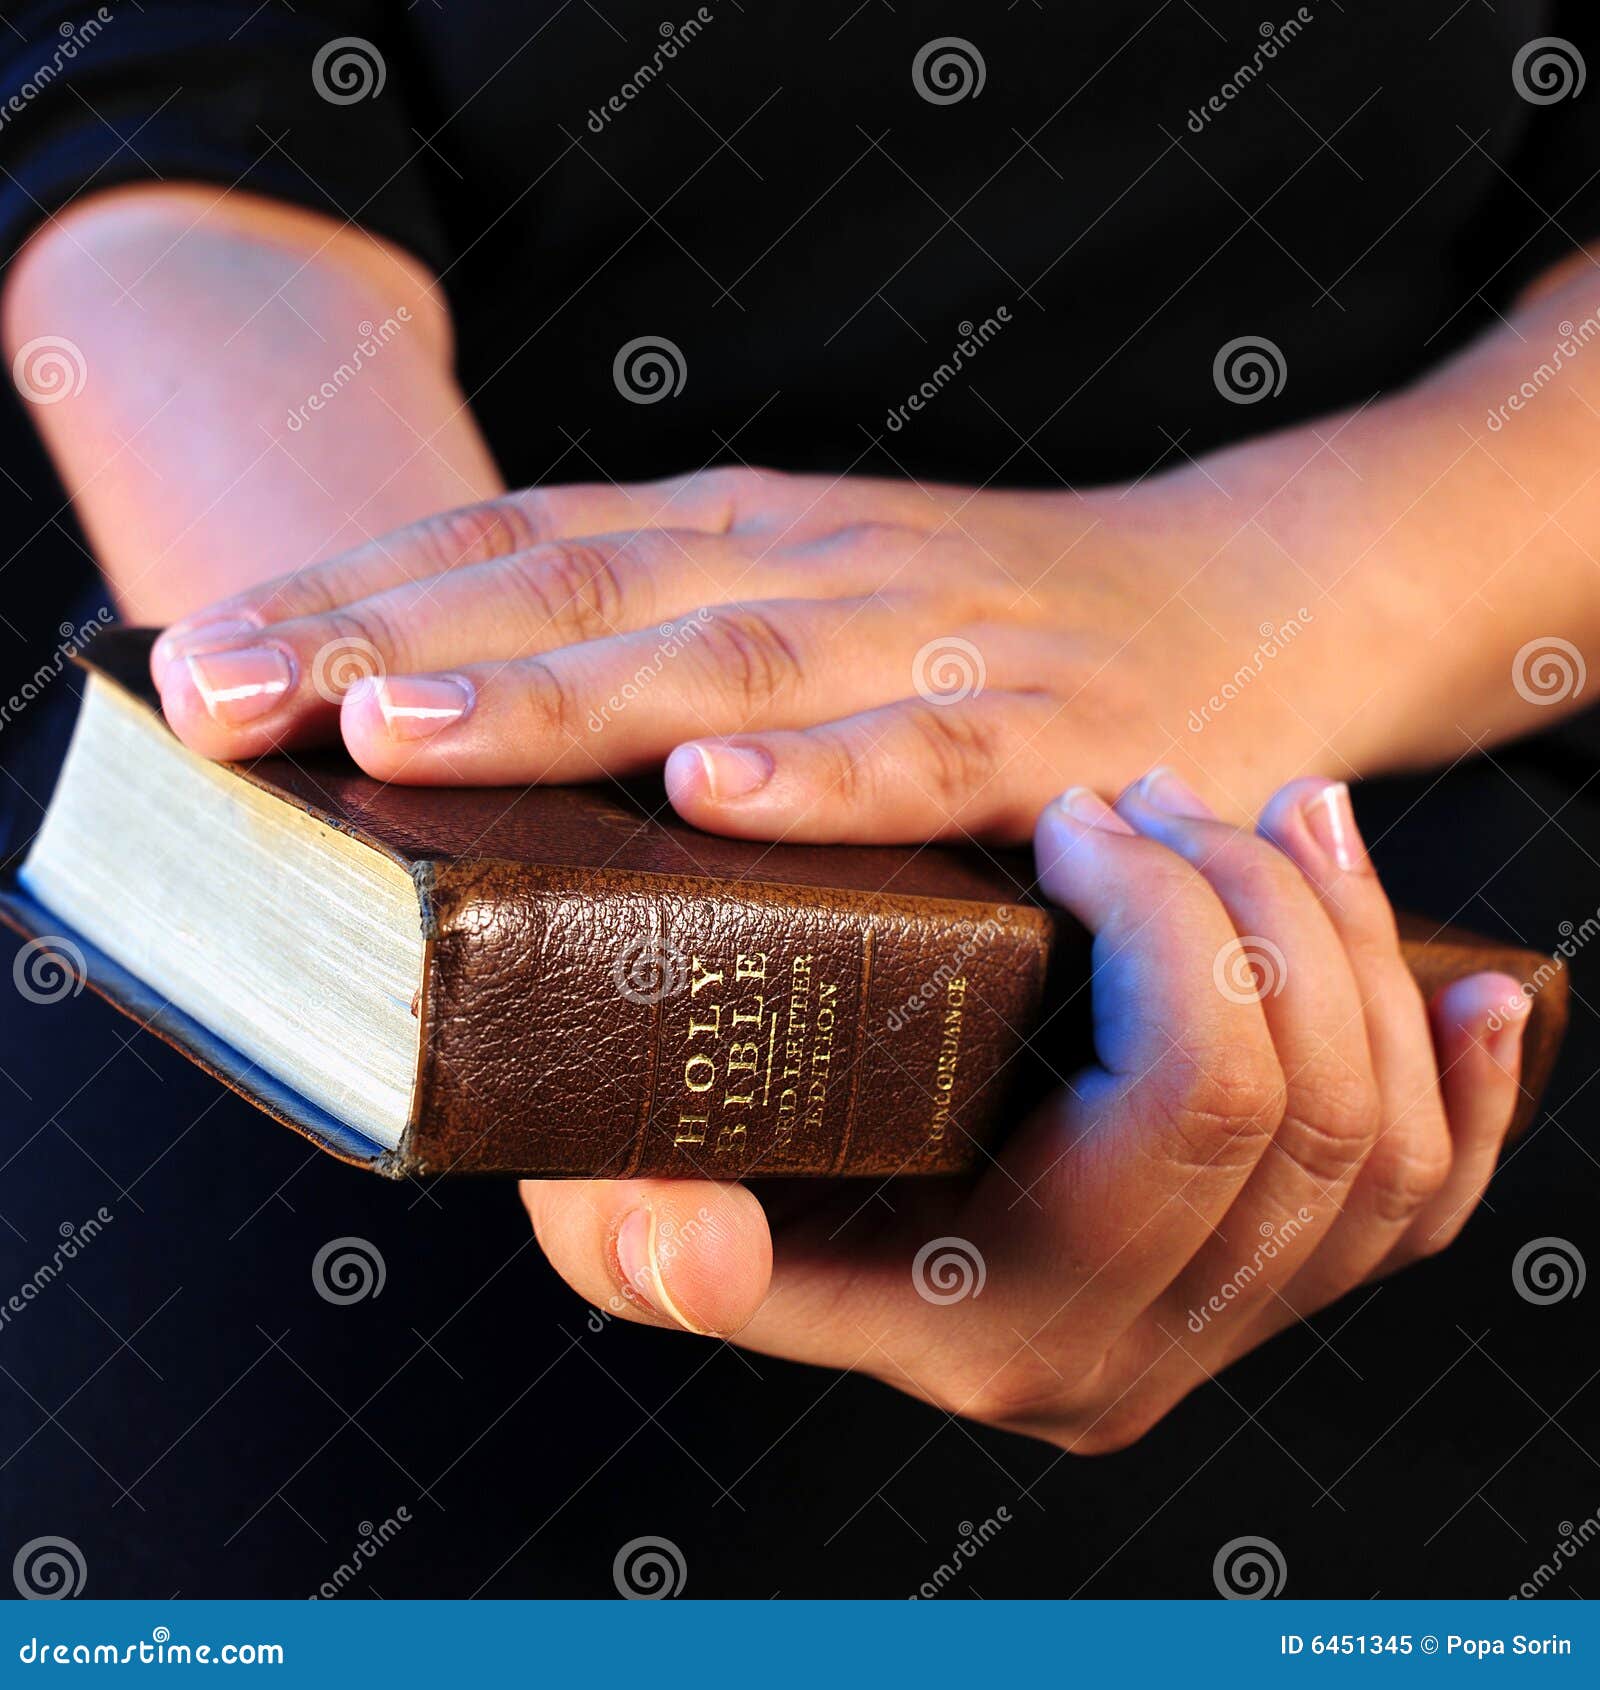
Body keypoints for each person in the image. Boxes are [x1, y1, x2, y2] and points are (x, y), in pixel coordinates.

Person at [0, 2, 1593, 1596]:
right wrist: (533, 933)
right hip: (399, 618)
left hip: (1373, 746)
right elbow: (158, 131)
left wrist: (1247, 594)